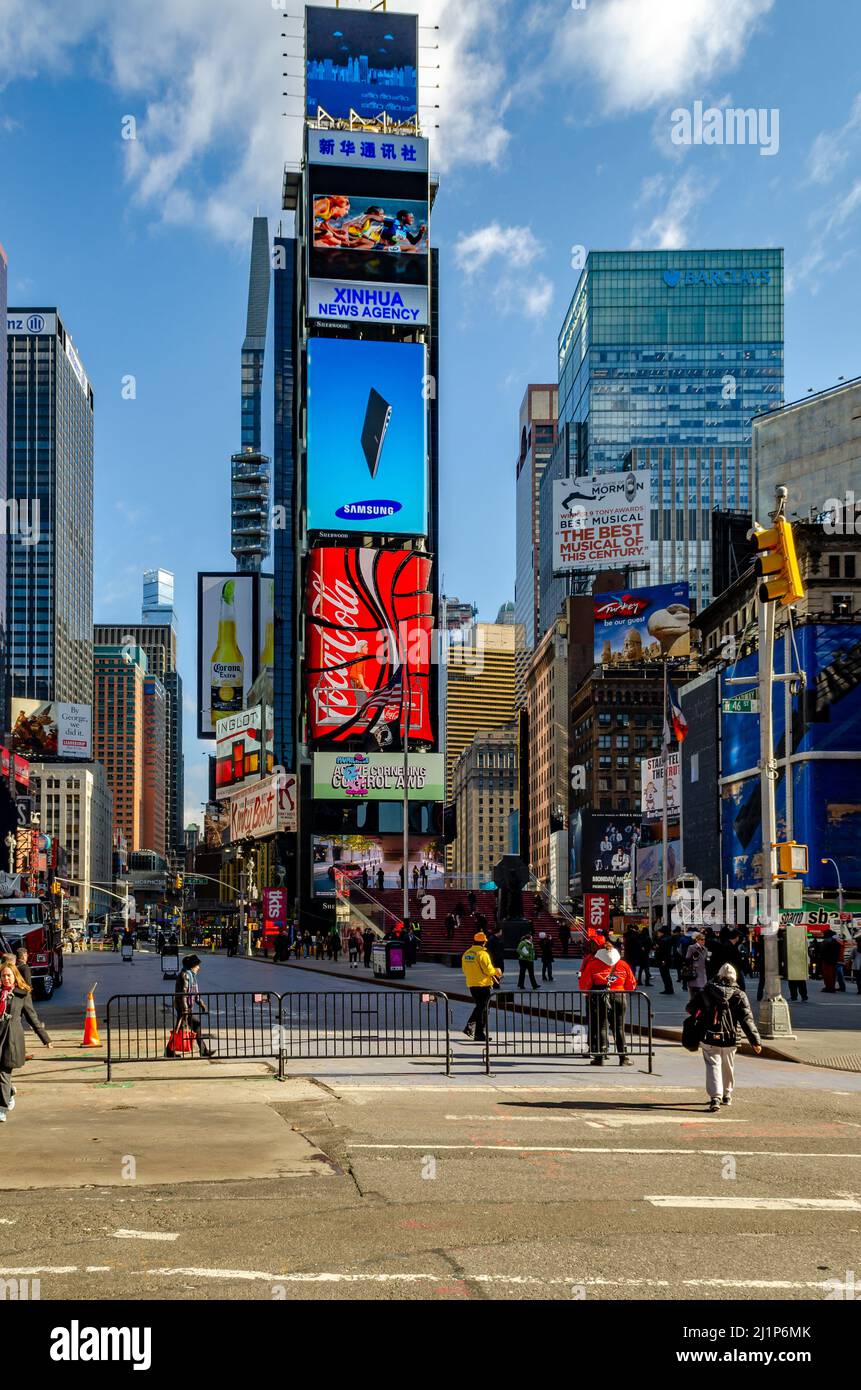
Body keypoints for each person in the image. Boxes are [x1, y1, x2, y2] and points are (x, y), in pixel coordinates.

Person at [686, 963, 762, 1112]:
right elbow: (747, 1019)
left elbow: (690, 1008)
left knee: (713, 1064)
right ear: (734, 978)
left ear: (718, 976)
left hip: (709, 1035)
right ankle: (727, 1094)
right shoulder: (739, 994)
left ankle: (715, 1097)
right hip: (731, 1036)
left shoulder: (706, 991)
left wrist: (703, 1012)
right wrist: (755, 1041)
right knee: (728, 1064)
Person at [578, 934, 637, 1066]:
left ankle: (600, 1057)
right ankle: (623, 1057)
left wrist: (588, 993)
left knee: (601, 1027)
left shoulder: (593, 964)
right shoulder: (623, 965)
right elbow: (632, 984)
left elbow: (584, 984)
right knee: (619, 1028)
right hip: (619, 996)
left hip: (599, 996)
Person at [461, 932, 501, 1042]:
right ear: (483, 942)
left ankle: (472, 1029)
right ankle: (477, 1032)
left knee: (480, 1007)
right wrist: (497, 971)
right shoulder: (482, 954)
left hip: (471, 984)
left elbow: (464, 969)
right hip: (483, 984)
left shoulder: (467, 953)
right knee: (483, 1008)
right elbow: (488, 970)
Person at [171, 955, 213, 1058]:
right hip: (183, 1008)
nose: (199, 968)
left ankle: (169, 1051)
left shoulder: (191, 976)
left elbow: (194, 993)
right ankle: (203, 1051)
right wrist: (185, 1009)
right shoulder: (185, 975)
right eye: (197, 965)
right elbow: (184, 994)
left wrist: (202, 1004)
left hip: (186, 1007)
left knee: (181, 1029)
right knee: (190, 1027)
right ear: (192, 966)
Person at [682, 931, 709, 996]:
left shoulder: (705, 949)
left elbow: (706, 959)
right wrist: (693, 957)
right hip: (694, 971)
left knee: (701, 991)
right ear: (697, 940)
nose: (703, 941)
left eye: (704, 939)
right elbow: (687, 959)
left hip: (702, 971)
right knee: (694, 991)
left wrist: (708, 959)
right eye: (701, 939)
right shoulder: (691, 947)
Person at [655, 928, 675, 994]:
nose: (658, 934)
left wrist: (663, 960)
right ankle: (669, 989)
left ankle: (668, 989)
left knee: (665, 975)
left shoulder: (663, 940)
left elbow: (662, 951)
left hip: (663, 960)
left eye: (658, 933)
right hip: (666, 959)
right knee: (666, 975)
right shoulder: (668, 939)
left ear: (662, 933)